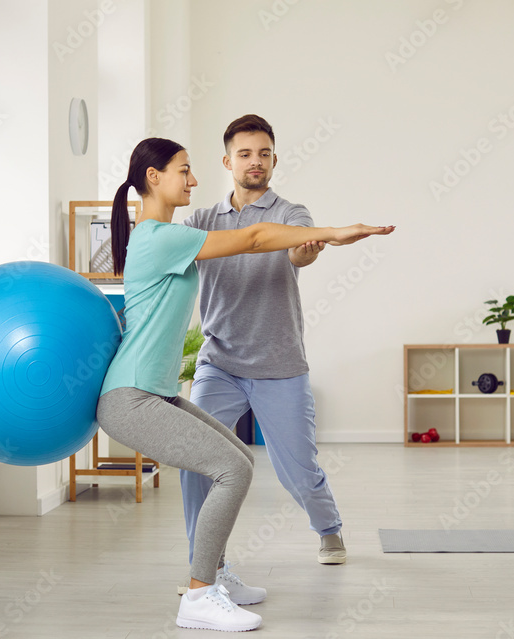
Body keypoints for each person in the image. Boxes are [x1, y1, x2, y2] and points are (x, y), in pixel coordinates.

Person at [95, 136, 394, 632]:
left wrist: (311, 247)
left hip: (160, 391)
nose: (192, 180)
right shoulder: (161, 235)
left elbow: (275, 242)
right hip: (133, 396)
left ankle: (216, 573)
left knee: (240, 462)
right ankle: (198, 596)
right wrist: (342, 231)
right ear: (154, 178)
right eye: (184, 171)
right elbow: (255, 239)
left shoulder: (164, 234)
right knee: (232, 470)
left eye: (192, 171)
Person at [178, 115, 395, 596]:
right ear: (227, 160)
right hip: (219, 363)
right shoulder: (201, 220)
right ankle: (203, 566)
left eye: (264, 153)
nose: (255, 162)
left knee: (298, 469)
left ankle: (328, 528)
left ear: (274, 159)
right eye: (245, 153)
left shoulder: (293, 214)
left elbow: (298, 252)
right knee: (196, 460)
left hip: (279, 366)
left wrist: (308, 252)